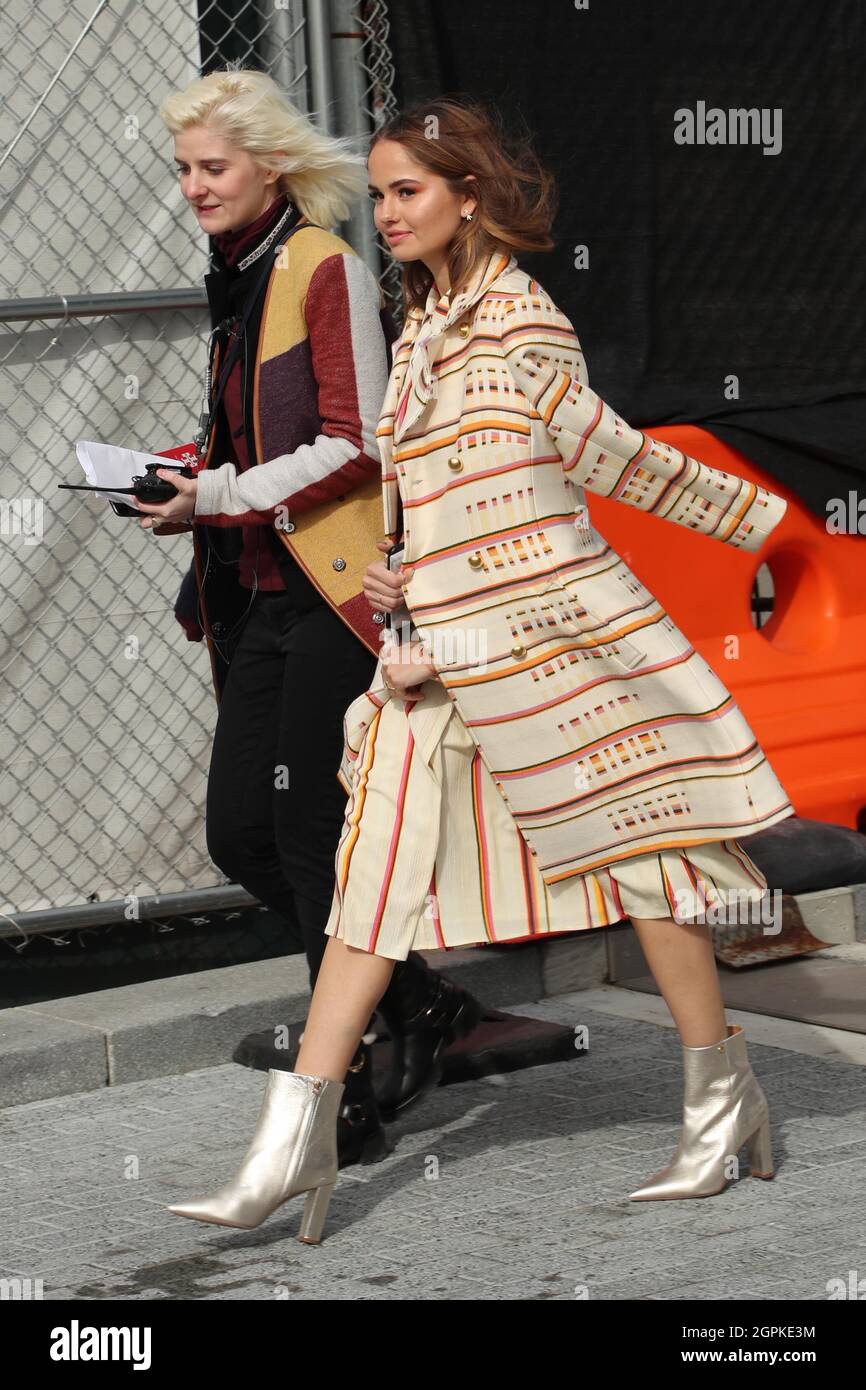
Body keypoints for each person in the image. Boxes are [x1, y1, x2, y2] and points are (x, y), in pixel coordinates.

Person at [167, 95, 792, 1243]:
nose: (388, 213)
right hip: (431, 659)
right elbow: (436, 496)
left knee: (654, 868)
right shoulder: (427, 325)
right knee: (368, 884)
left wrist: (765, 521)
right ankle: (291, 1143)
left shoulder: (517, 323)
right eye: (382, 193)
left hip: (542, 654)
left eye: (408, 191)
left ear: (468, 194)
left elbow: (588, 459)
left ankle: (718, 1095)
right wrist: (402, 573)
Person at [140, 69, 482, 1169]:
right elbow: (254, 436)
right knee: (243, 834)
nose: (193, 186)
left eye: (212, 166)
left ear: (271, 166)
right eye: (184, 168)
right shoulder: (237, 273)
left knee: (301, 839)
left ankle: (338, 1096)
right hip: (255, 594)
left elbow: (353, 440)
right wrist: (188, 480)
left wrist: (223, 493)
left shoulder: (319, 265)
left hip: (330, 595)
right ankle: (415, 1003)